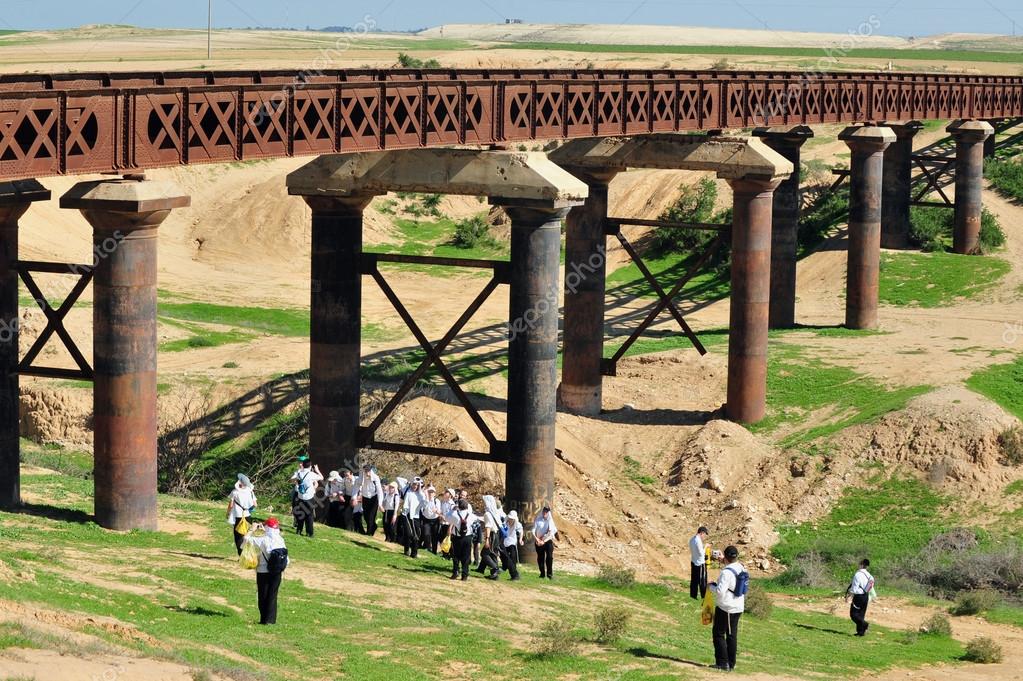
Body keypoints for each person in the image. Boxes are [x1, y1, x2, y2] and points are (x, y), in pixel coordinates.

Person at [243, 517, 289, 625]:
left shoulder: (263, 539)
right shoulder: (280, 539)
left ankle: (264, 619)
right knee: (272, 595)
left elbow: (245, 540)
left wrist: (252, 529)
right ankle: (271, 620)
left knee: (263, 595)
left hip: (263, 570)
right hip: (277, 570)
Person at [708, 545, 746, 672]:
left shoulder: (726, 572)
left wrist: (710, 586)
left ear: (726, 556)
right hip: (738, 607)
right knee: (732, 635)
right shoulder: (741, 567)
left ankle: (722, 663)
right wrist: (723, 560)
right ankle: (731, 663)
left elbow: (720, 591)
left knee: (718, 634)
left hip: (726, 607)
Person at [290, 458, 323, 537]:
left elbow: (291, 480)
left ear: (303, 465)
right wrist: (317, 470)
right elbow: (321, 478)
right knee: (309, 515)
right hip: (309, 498)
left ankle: (299, 530)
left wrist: (297, 481)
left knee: (300, 515)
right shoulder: (311, 474)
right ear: (310, 466)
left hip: (300, 497)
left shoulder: (299, 473)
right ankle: (309, 533)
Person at [395, 477, 426, 558]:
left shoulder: (421, 494)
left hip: (416, 516)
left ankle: (414, 553)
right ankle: (406, 549)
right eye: (414, 484)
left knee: (416, 535)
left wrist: (421, 491)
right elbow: (398, 478)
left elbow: (425, 504)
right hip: (406, 515)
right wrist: (408, 481)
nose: (415, 486)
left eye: (417, 485)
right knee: (409, 534)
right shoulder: (406, 489)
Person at [226, 473, 257, 555]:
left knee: (238, 537)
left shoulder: (235, 492)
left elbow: (231, 505)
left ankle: (241, 554)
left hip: (238, 517)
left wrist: (228, 513)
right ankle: (248, 553)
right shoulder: (250, 492)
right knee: (247, 536)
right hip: (248, 516)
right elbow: (255, 504)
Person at [476, 494, 503, 580]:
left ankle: (495, 568)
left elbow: (488, 526)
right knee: (493, 554)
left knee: (484, 553)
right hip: (497, 535)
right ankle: (494, 575)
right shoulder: (495, 512)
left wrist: (487, 539)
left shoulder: (487, 513)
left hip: (491, 535)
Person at [846, 558, 875, 637]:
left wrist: (849, 594)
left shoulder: (857, 574)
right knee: (861, 614)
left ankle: (865, 624)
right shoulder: (870, 576)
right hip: (866, 596)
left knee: (853, 614)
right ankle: (860, 632)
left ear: (861, 564)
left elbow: (854, 588)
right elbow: (871, 586)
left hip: (858, 596)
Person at [448, 498, 475, 580]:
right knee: (466, 556)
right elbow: (476, 520)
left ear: (458, 506)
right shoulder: (471, 515)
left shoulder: (455, 515)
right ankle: (465, 575)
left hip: (457, 537)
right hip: (467, 537)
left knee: (456, 556)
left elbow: (446, 517)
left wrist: (452, 510)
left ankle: (455, 572)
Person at [355, 463, 384, 537]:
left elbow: (380, 491)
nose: (367, 473)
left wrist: (380, 504)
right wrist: (354, 497)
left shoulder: (376, 478)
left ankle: (369, 533)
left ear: (370, 470)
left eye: (368, 471)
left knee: (371, 516)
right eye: (365, 471)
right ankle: (373, 526)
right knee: (365, 516)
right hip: (365, 497)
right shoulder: (362, 477)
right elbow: (357, 486)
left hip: (374, 498)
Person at [532, 505, 557, 580]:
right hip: (538, 541)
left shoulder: (550, 521)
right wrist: (536, 539)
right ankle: (542, 574)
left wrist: (543, 541)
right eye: (544, 511)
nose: (545, 513)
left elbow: (551, 534)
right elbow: (533, 530)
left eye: (546, 511)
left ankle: (550, 574)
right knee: (540, 558)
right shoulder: (538, 519)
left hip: (547, 541)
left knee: (549, 557)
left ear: (548, 512)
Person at [499, 509, 524, 581]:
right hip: (505, 541)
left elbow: (521, 531)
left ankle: (514, 572)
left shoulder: (517, 524)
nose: (511, 520)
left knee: (513, 557)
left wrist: (520, 540)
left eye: (512, 519)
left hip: (512, 542)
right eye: (510, 518)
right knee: (505, 557)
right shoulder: (505, 522)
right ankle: (506, 567)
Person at [689, 526, 711, 600]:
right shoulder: (698, 540)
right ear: (702, 533)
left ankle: (693, 595)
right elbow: (701, 553)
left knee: (694, 580)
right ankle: (703, 597)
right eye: (705, 534)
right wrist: (706, 546)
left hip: (693, 561)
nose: (704, 536)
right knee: (702, 581)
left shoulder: (692, 539)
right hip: (700, 564)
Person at [420, 486, 441, 554]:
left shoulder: (436, 501)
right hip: (426, 519)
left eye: (432, 492)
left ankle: (434, 551)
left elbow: (439, 511)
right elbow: (423, 507)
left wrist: (436, 510)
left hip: (435, 520)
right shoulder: (425, 500)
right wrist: (426, 499)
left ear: (434, 493)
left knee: (435, 536)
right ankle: (428, 547)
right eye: (429, 492)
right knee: (426, 534)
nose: (431, 493)